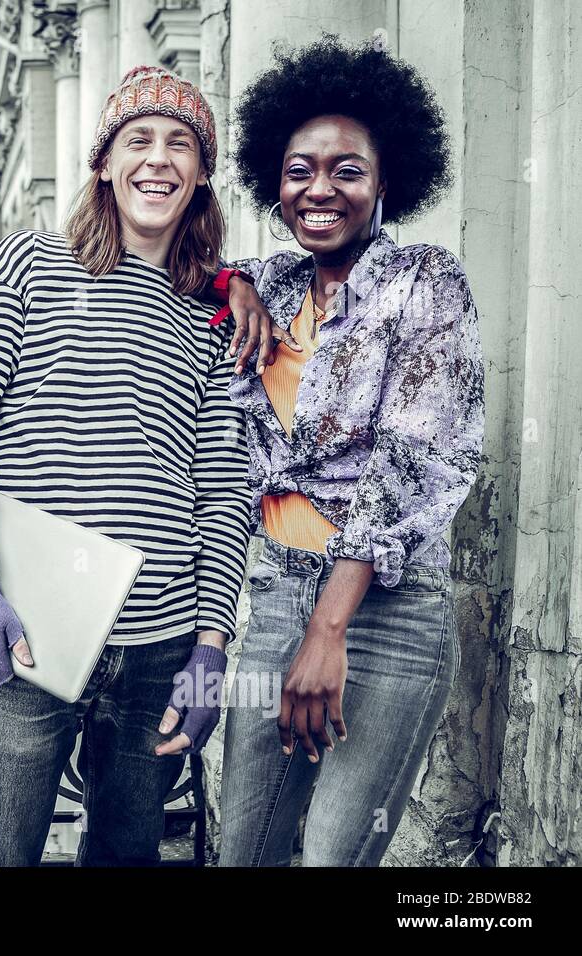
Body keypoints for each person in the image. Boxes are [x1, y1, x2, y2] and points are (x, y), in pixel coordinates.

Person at [0, 66, 280, 866]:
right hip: (24, 631)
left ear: (200, 174)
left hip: (160, 644)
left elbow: (223, 489)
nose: (158, 159)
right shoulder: (26, 264)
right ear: (106, 164)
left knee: (128, 855)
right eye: (137, 141)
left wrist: (212, 643)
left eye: (179, 144)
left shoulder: (211, 313)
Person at [215, 36, 485, 866]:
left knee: (336, 852)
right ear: (274, 179)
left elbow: (416, 462)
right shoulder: (277, 282)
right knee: (244, 852)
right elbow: (181, 260)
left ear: (385, 179)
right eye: (299, 170)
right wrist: (233, 281)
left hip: (386, 614)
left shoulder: (427, 281)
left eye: (346, 170)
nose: (319, 189)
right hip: (273, 602)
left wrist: (328, 629)